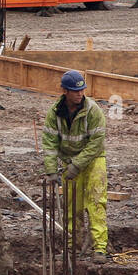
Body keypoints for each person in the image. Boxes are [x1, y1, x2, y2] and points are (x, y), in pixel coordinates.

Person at [41, 69, 109, 261]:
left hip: (94, 160)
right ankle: (72, 246)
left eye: (81, 90)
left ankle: (100, 248)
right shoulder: (54, 113)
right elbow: (49, 143)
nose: (79, 94)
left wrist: (78, 164)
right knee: (72, 207)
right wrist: (51, 170)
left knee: (96, 202)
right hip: (69, 162)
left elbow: (96, 142)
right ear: (65, 91)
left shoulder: (93, 111)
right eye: (74, 91)